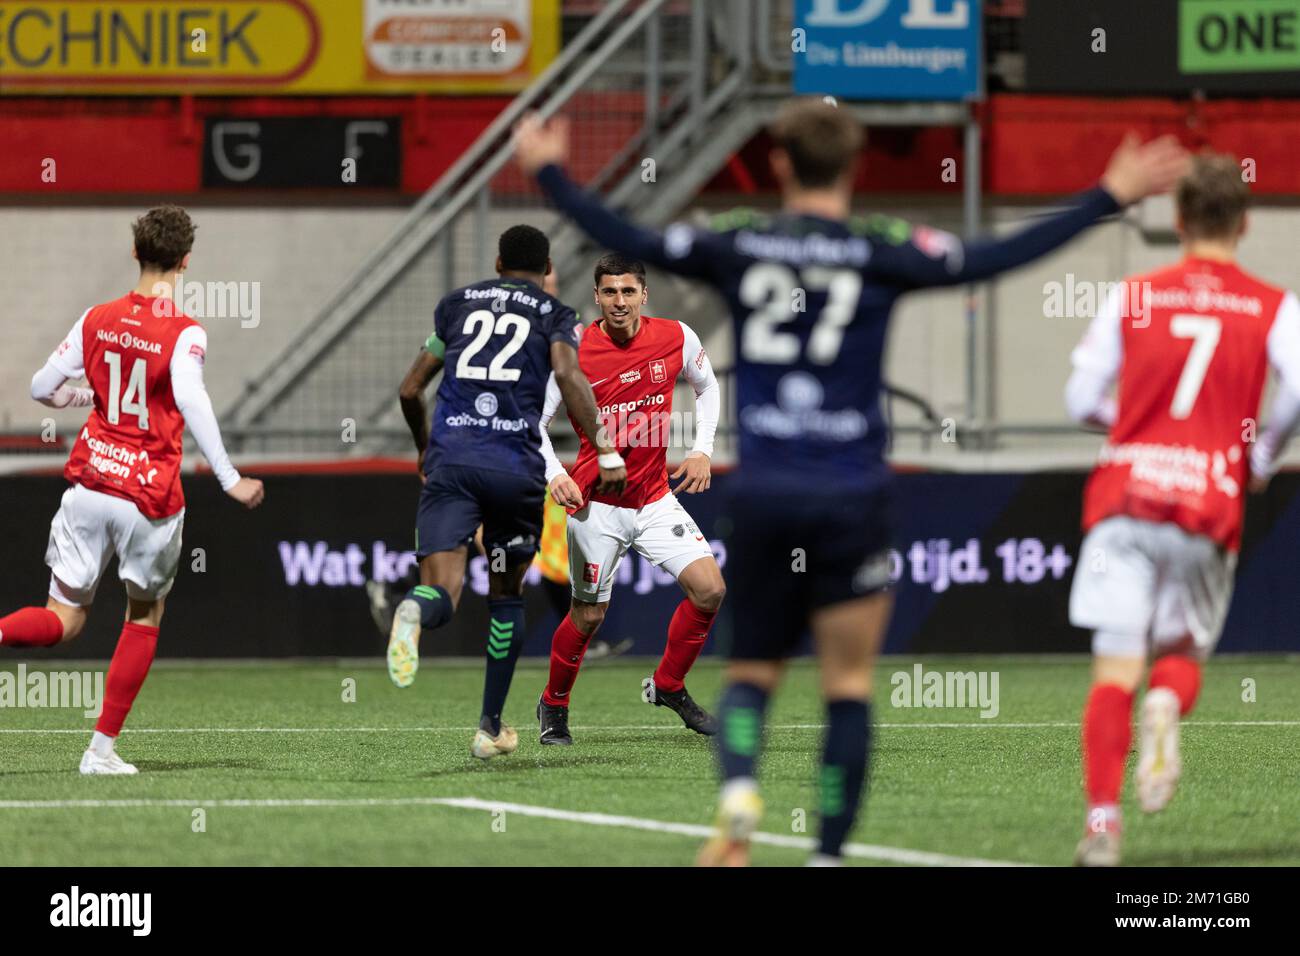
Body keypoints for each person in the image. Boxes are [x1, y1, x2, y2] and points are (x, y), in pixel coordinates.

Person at [513, 99, 1187, 864]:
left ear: (778, 165)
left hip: (767, 493)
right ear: (856, 167)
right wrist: (1106, 196)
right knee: (848, 687)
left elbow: (628, 235)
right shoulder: (881, 248)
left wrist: (551, 172)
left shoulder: (739, 242)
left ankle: (737, 798)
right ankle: (828, 852)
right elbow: (994, 257)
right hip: (852, 497)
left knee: (751, 673)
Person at [1066, 154, 1300, 866]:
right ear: (1245, 223)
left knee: (1114, 672)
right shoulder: (1273, 305)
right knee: (1180, 656)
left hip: (1126, 499)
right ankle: (1166, 705)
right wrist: (1258, 458)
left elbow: (1078, 401)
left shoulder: (1134, 295)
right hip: (1209, 499)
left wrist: (1132, 428)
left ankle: (1103, 827)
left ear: (1177, 221)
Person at [0, 205, 265, 774]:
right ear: (186, 260)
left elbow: (42, 387)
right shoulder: (184, 332)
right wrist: (230, 477)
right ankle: (99, 752)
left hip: (90, 482)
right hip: (147, 496)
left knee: (63, 620)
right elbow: (192, 401)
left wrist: (81, 398)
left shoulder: (96, 318)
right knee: (142, 616)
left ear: (135, 253)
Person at [389, 224, 625, 760]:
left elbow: (409, 389)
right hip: (513, 471)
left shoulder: (456, 306)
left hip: (451, 462)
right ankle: (490, 726)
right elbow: (568, 376)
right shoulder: (555, 315)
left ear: (497, 262)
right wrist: (606, 450)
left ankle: (413, 612)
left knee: (443, 591)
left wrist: (425, 446)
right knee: (505, 595)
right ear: (546, 271)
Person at [535, 254, 724, 745]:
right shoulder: (571, 348)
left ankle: (668, 687)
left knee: (710, 590)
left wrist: (702, 448)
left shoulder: (677, 337)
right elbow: (532, 424)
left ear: (644, 295)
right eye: (610, 292)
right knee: (589, 615)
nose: (620, 302)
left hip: (655, 498)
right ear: (596, 297)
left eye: (628, 292)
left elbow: (707, 387)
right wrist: (555, 473)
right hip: (595, 507)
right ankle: (553, 704)